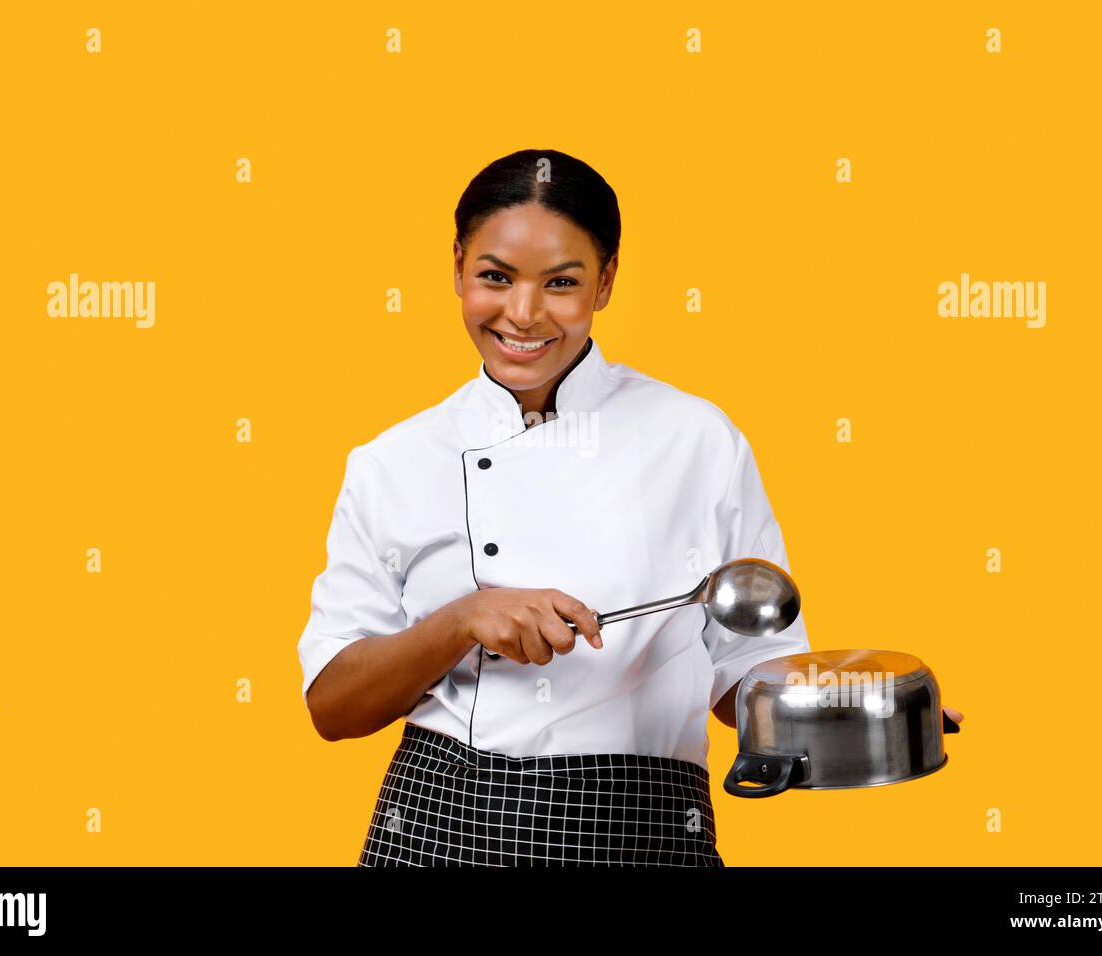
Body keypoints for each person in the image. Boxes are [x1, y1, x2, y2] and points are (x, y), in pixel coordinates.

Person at [298, 148, 962, 866]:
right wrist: (462, 620)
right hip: (441, 825)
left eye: (561, 283)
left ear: (606, 280)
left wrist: (851, 713)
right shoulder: (391, 463)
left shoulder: (695, 438)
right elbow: (334, 707)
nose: (522, 314)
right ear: (457, 265)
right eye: (495, 277)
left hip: (640, 823)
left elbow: (750, 665)